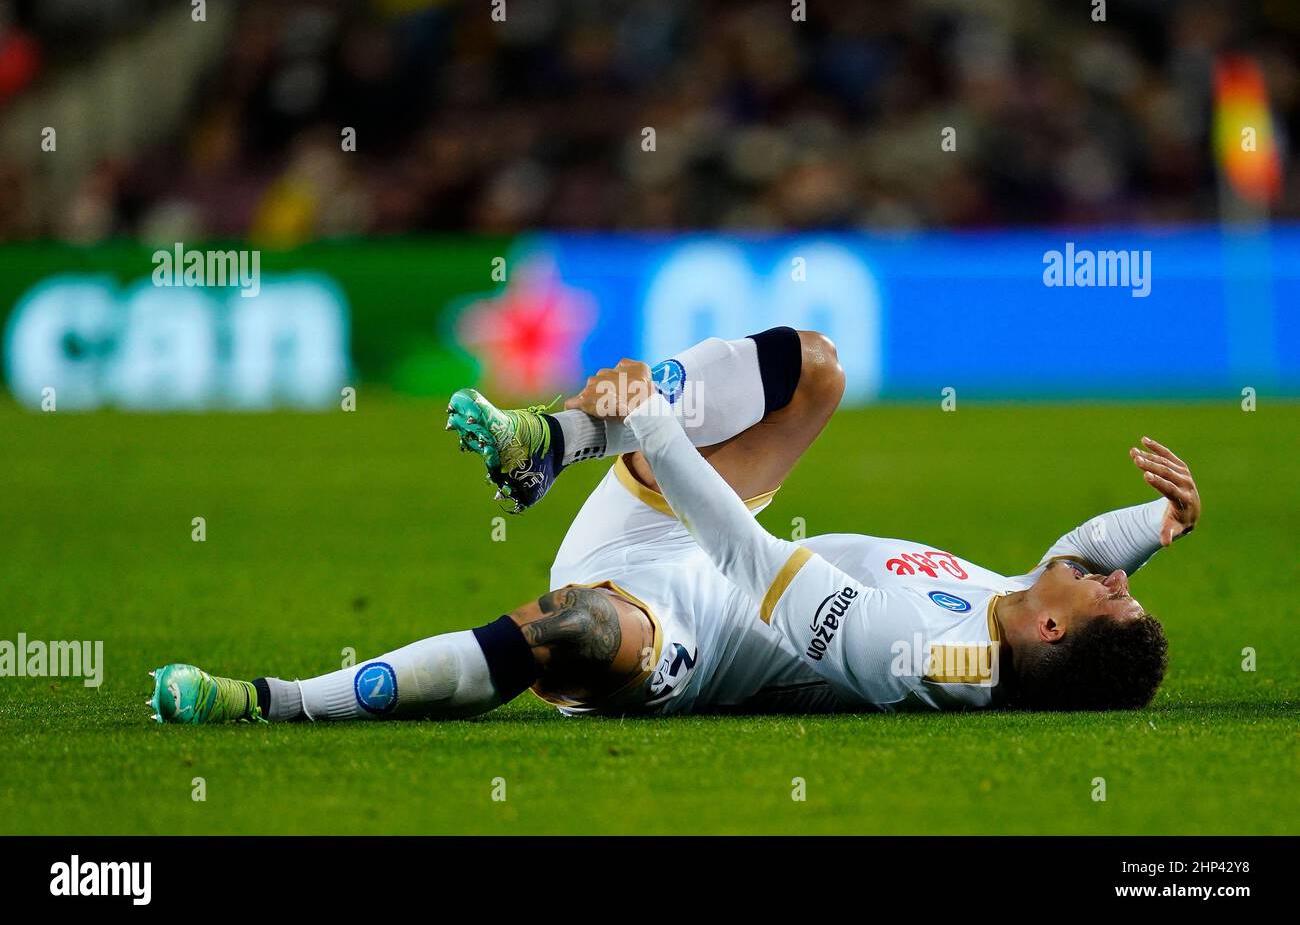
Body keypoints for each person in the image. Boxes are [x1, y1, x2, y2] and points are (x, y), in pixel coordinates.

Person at [148, 328, 1196, 723]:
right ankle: (549, 442)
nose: (1113, 577)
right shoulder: (1020, 600)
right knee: (814, 369)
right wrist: (1162, 519)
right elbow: (1088, 553)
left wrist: (648, 420)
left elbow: (749, 557)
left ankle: (278, 702)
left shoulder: (918, 652)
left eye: (1113, 597)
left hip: (684, 629)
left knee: (572, 629)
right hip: (688, 526)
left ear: (1053, 630)